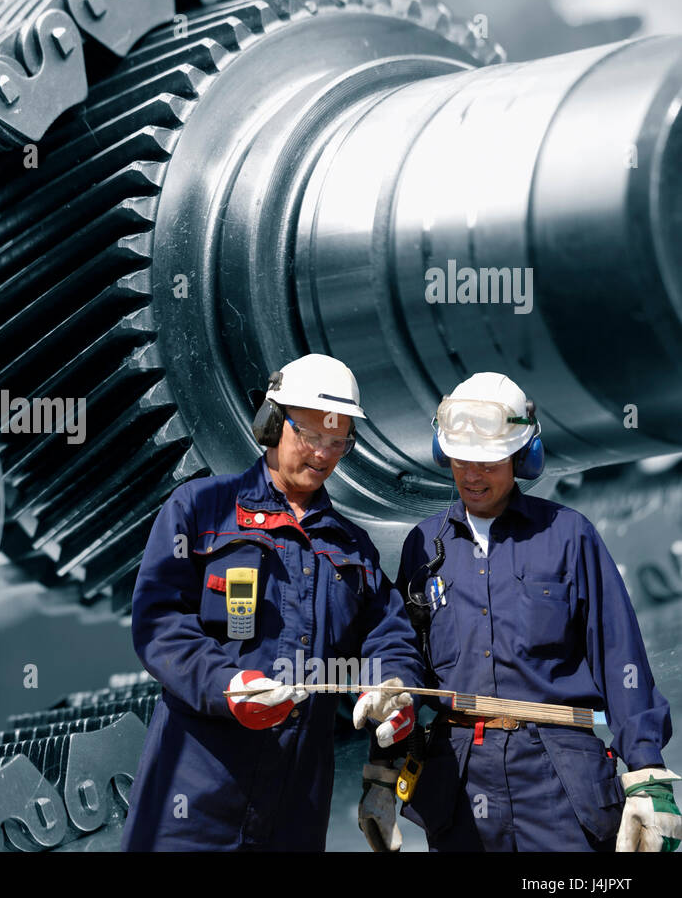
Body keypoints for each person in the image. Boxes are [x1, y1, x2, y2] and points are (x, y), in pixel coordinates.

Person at [358, 372, 679, 852]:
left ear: (522, 457)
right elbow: (405, 654)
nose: (471, 475)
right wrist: (383, 769)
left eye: (487, 462)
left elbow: (620, 657)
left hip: (559, 779)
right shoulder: (422, 545)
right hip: (460, 780)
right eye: (461, 460)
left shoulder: (569, 536)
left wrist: (647, 772)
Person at [120, 354, 421, 851]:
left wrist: (393, 689)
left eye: (338, 440)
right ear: (272, 423)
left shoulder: (352, 549)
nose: (324, 454)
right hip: (191, 803)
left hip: (293, 814)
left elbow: (388, 634)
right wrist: (227, 685)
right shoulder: (201, 510)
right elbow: (159, 622)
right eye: (310, 435)